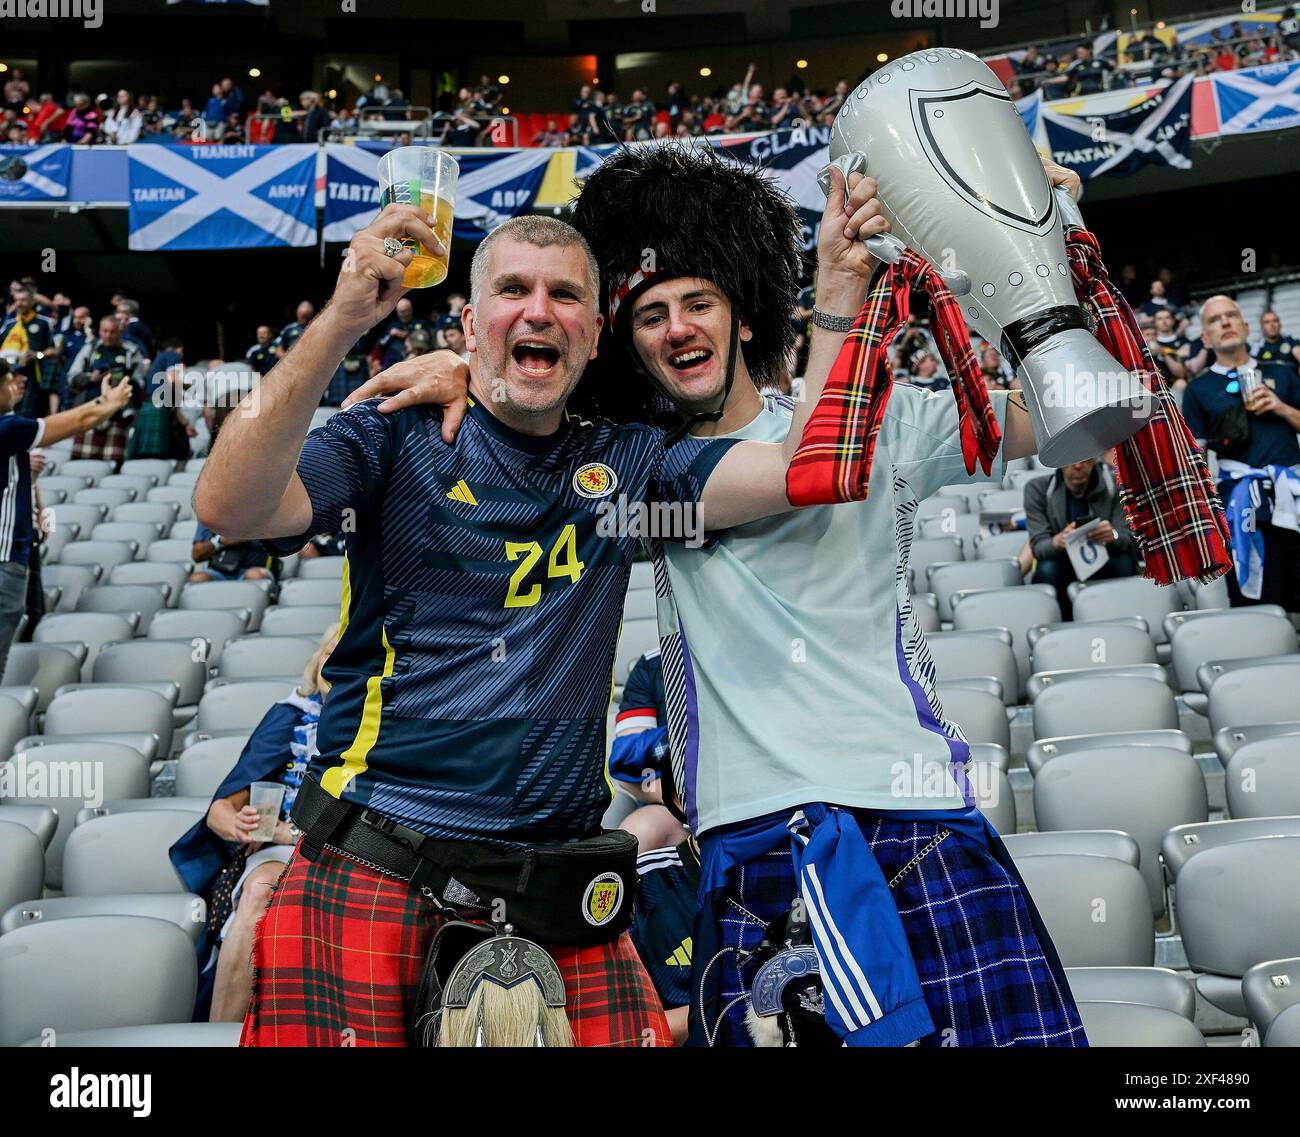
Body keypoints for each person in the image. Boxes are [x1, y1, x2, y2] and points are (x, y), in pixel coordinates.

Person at [369, 145, 1085, 1048]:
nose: (676, 328)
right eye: (650, 315)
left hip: (915, 818)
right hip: (746, 844)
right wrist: (465, 372)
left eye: (697, 303)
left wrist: (1046, 248)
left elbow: (1083, 406)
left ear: (742, 319)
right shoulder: (628, 469)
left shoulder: (890, 421)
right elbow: (526, 400)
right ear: (625, 346)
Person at [194, 191, 862, 1047]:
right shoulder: (393, 436)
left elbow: (813, 467)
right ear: (470, 324)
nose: (539, 309)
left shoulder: (626, 471)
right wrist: (342, 321)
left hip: (558, 888)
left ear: (590, 335)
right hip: (373, 863)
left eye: (565, 295)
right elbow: (227, 504)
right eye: (513, 290)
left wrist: (836, 291)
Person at [169, 627, 339, 1022]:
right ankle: (222, 1031)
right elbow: (221, 810)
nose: (332, 661)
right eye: (328, 652)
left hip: (359, 854)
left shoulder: (383, 726)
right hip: (281, 854)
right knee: (261, 889)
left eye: (343, 653)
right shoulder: (287, 718)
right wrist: (241, 824)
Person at [0, 358, 132, 679]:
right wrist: (108, 402)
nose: (13, 386)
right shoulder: (8, 428)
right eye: (7, 381)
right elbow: (79, 419)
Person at [1181, 296, 1300, 610]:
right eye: (1215, 319)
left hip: (1294, 491)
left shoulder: (1284, 373)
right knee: (1259, 596)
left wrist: (1281, 407)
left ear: (1246, 327)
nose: (1225, 322)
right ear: (1205, 338)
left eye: (1231, 315)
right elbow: (1197, 457)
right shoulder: (1198, 389)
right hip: (1240, 502)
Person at [1024, 457, 1138, 617]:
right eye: (1071, 460)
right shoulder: (1037, 489)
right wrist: (1058, 541)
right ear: (1060, 463)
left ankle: (1123, 616)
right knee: (1048, 569)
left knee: (1123, 560)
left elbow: (1129, 538)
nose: (1078, 466)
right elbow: (1038, 547)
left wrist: (1112, 535)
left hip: (1107, 557)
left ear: (1095, 460)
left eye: (1085, 459)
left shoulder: (1118, 485)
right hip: (1062, 561)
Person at [63, 314, 145, 462]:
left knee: (112, 461)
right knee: (81, 461)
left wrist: (123, 380)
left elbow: (140, 382)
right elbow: (72, 377)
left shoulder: (131, 351)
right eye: (105, 331)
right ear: (99, 331)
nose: (108, 335)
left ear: (120, 332)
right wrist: (91, 378)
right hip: (89, 412)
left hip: (118, 414)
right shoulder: (90, 349)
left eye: (113, 332)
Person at [0, 284, 57, 418]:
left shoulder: (43, 322)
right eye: (17, 300)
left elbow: (53, 350)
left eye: (23, 300)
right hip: (8, 375)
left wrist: (38, 354)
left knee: (25, 415)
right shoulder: (9, 324)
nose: (20, 303)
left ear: (32, 301)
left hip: (31, 377)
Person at [189, 520, 273, 583]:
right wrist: (219, 541)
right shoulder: (211, 510)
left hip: (255, 568)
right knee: (198, 579)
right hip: (218, 571)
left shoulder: (265, 507)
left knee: (254, 576)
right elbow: (196, 555)